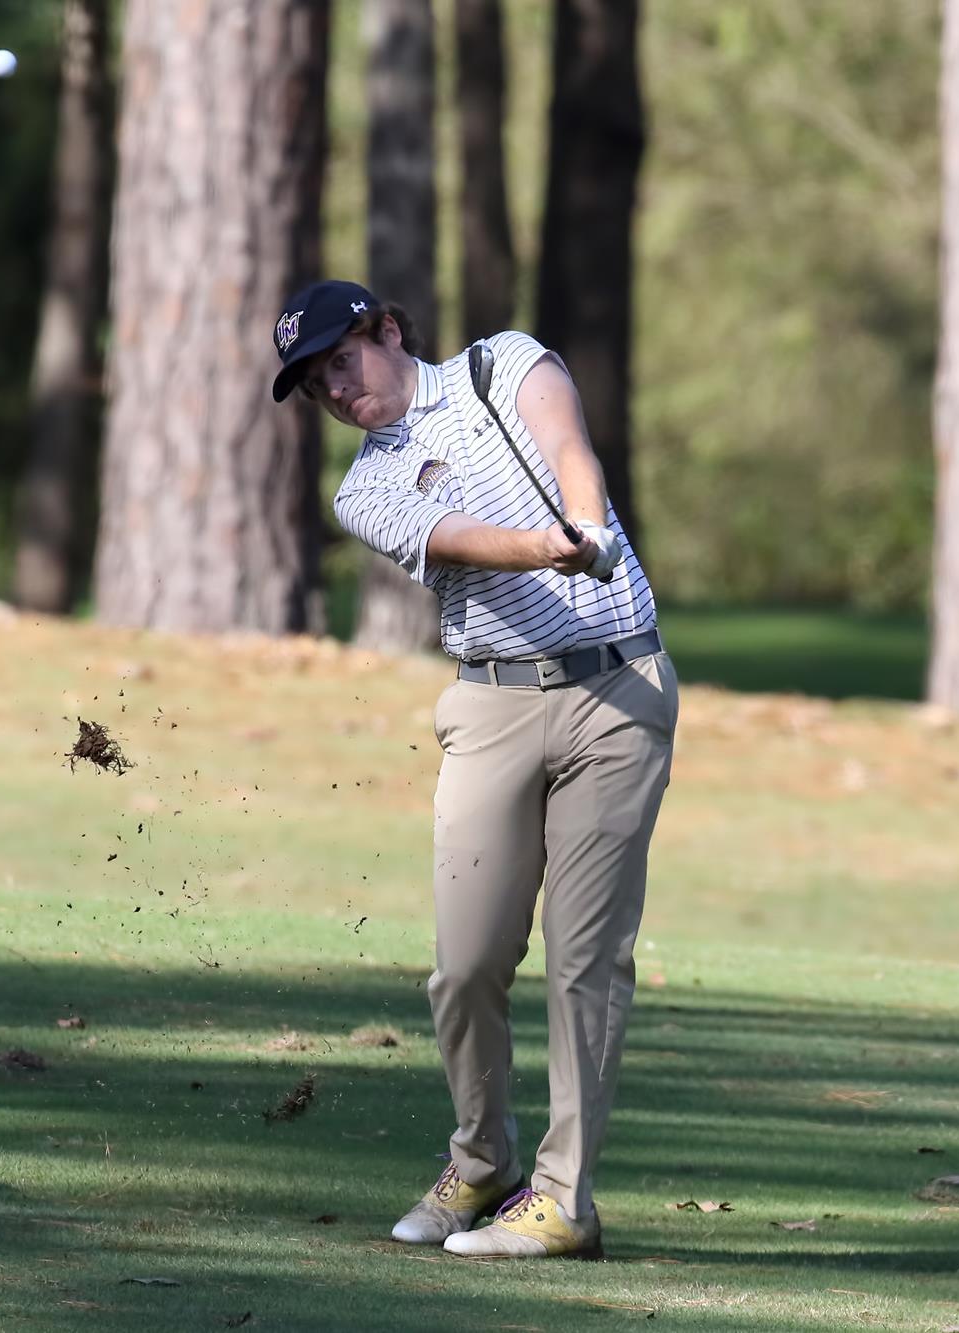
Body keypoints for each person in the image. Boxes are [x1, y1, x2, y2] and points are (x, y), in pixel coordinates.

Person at [271, 280, 679, 1259]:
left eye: (341, 361)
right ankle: (482, 1159)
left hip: (617, 691)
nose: (336, 390)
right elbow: (459, 541)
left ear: (388, 331)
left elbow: (571, 449)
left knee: (585, 959)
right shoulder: (362, 489)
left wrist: (585, 525)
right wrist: (545, 548)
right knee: (464, 966)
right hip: (491, 703)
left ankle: (563, 1200)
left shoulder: (503, 363)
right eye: (317, 384)